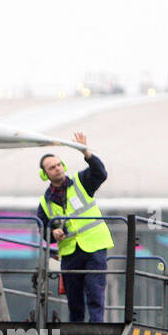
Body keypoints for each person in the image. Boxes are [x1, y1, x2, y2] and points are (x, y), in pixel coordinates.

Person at [36, 133, 113, 323]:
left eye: (59, 165)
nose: (57, 169)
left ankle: (96, 327)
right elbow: (44, 230)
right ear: (45, 174)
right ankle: (76, 327)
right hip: (70, 252)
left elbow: (100, 173)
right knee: (74, 296)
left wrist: (85, 152)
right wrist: (53, 234)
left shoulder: (81, 182)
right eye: (52, 168)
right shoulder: (45, 203)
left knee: (95, 291)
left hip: (94, 245)